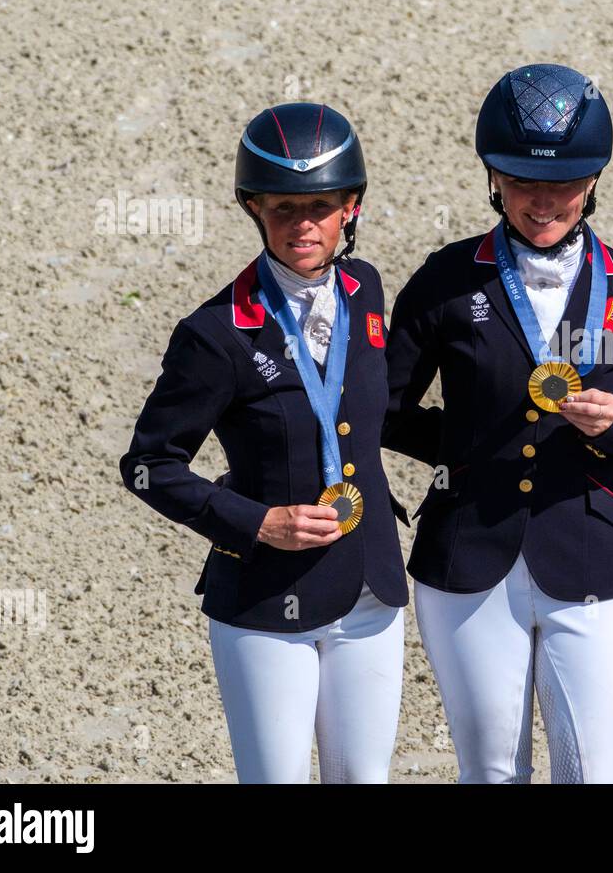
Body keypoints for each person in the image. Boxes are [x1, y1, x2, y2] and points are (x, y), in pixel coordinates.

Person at [383, 63, 613, 783]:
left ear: (591, 182)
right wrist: (464, 448)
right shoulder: (445, 281)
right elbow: (387, 411)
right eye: (523, 182)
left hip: (589, 552)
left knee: (593, 772)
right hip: (466, 559)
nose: (543, 201)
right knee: (492, 772)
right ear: (494, 178)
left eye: (563, 184)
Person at [119, 103, 408, 783]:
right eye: (282, 208)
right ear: (254, 209)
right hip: (263, 604)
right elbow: (147, 467)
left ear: (350, 207)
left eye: (319, 207)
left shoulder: (366, 291)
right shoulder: (215, 333)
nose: (302, 225)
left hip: (369, 592)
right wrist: (258, 522)